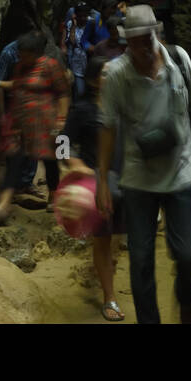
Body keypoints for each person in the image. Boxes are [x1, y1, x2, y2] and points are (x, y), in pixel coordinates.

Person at [96, 5, 191, 324]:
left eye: (146, 39)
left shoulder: (179, 60)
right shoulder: (116, 74)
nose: (141, 47)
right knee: (142, 260)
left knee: (189, 255)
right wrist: (103, 179)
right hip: (139, 179)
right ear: (125, 42)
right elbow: (107, 127)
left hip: (182, 172)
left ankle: (185, 298)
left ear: (155, 34)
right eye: (133, 42)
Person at [63, 55, 127, 320]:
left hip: (126, 182)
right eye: (104, 74)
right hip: (98, 183)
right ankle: (110, 299)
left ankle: (102, 270)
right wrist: (76, 165)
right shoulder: (83, 110)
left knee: (116, 239)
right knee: (102, 240)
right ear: (91, 80)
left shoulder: (124, 106)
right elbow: (62, 143)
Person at [0, 31, 71, 226]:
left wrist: (61, 119)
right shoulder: (21, 66)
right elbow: (17, 85)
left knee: (50, 161)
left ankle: (53, 197)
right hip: (21, 125)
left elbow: (63, 93)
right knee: (14, 162)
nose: (21, 57)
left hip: (45, 124)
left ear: (36, 53)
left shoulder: (50, 66)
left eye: (25, 53)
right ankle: (4, 204)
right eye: (20, 53)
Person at [0, 36, 41, 203]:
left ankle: (25, 183)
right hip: (15, 106)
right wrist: (2, 113)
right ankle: (12, 187)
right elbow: (5, 83)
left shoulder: (42, 60)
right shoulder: (9, 54)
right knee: (14, 149)